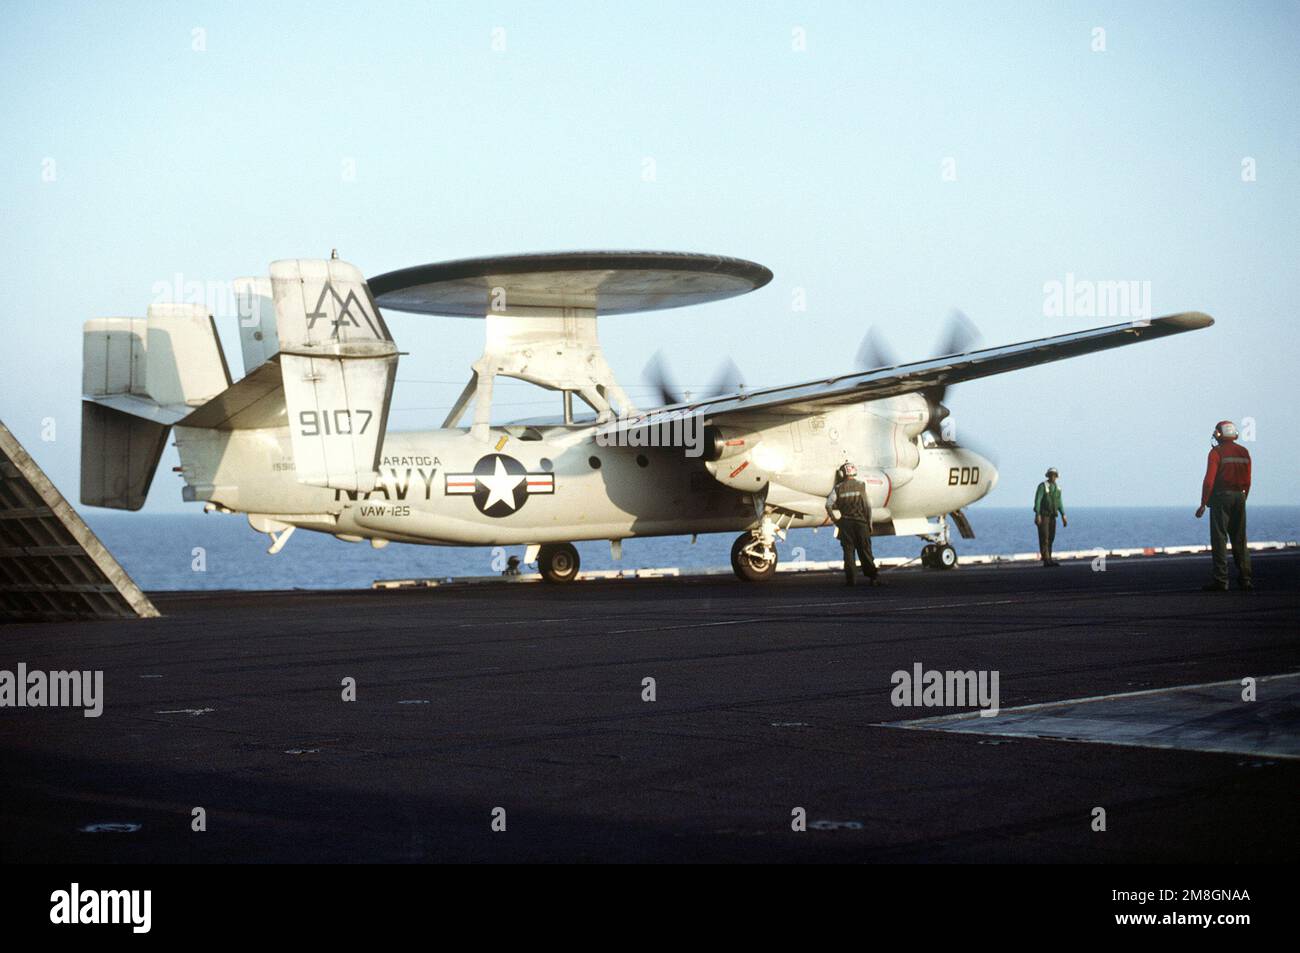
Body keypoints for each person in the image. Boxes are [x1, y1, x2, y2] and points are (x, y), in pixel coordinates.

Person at [1195, 420, 1252, 592]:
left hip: (1221, 498)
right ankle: (1246, 579)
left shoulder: (1216, 453)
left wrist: (1203, 503)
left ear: (1219, 434)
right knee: (1240, 539)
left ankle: (1221, 580)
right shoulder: (1244, 452)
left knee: (1219, 539)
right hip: (1240, 497)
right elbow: (1248, 480)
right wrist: (1243, 498)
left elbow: (1209, 481)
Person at [826, 462, 881, 586]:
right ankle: (873, 577)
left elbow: (828, 505)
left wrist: (835, 520)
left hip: (845, 524)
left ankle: (851, 580)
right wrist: (869, 523)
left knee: (848, 552)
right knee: (865, 551)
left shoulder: (838, 488)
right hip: (861, 523)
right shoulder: (861, 485)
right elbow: (867, 506)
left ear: (843, 473)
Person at [1033, 468, 1067, 567]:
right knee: (1044, 537)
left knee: (1051, 537)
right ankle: (1046, 559)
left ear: (1056, 477)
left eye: (1054, 475)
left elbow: (1059, 502)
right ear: (1048, 476)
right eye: (1051, 475)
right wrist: (1037, 514)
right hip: (1044, 516)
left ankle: (1049, 558)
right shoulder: (1043, 486)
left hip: (1053, 516)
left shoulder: (1058, 488)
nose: (1053, 477)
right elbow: (1038, 500)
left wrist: (1063, 515)